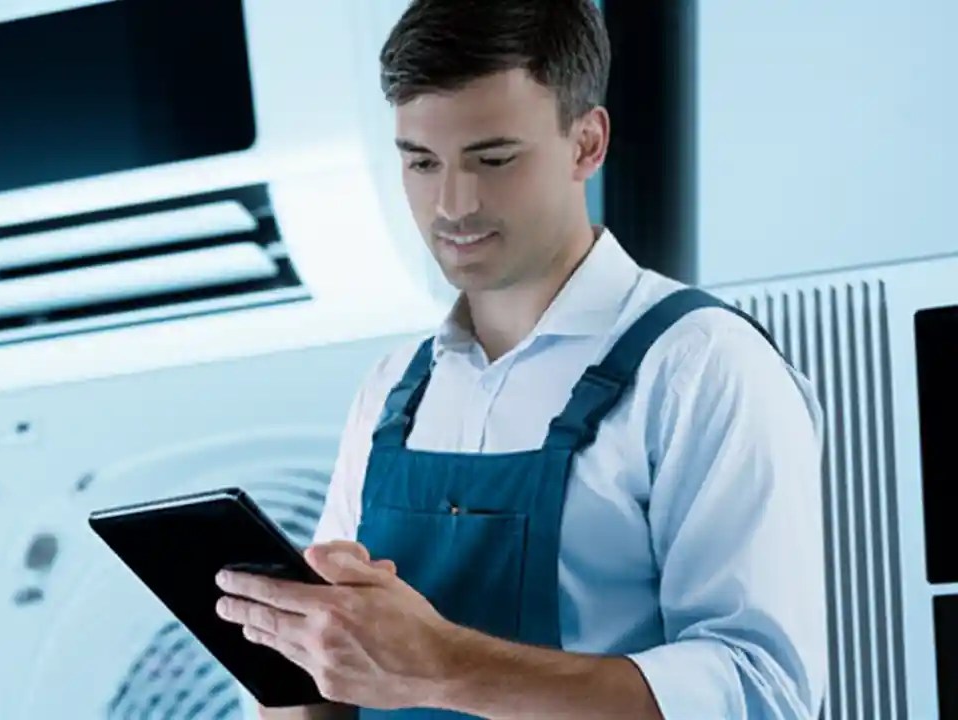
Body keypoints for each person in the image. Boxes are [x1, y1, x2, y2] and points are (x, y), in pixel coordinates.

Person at [214, 1, 828, 717]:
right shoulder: (391, 394)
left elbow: (764, 690)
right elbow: (333, 696)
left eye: (494, 158)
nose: (453, 205)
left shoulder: (700, 367)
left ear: (586, 144)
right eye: (421, 162)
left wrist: (443, 664)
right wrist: (288, 653)